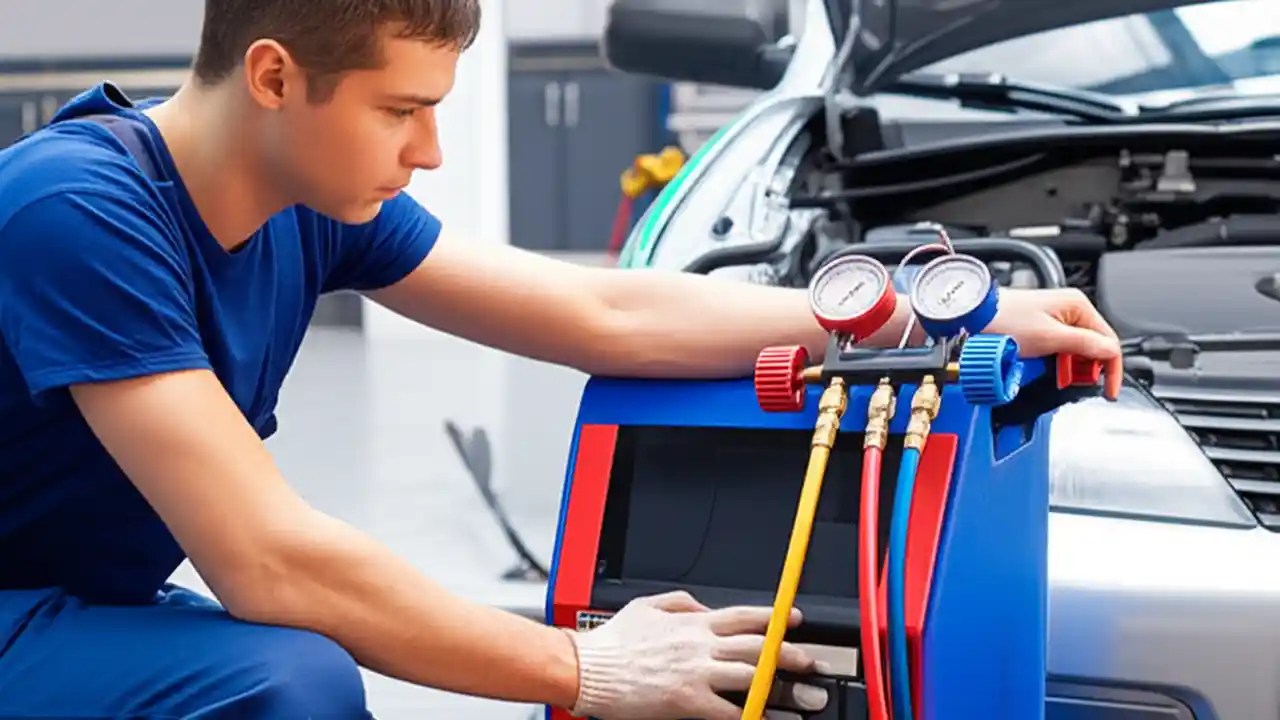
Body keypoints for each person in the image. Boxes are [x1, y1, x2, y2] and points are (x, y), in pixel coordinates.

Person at [0, 1, 1123, 718]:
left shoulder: (307, 203)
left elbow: (599, 313)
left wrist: (916, 322)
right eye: (401, 110)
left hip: (76, 600)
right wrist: (587, 669)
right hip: (20, 609)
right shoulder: (79, 210)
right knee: (284, 682)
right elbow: (266, 561)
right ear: (273, 76)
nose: (430, 151)